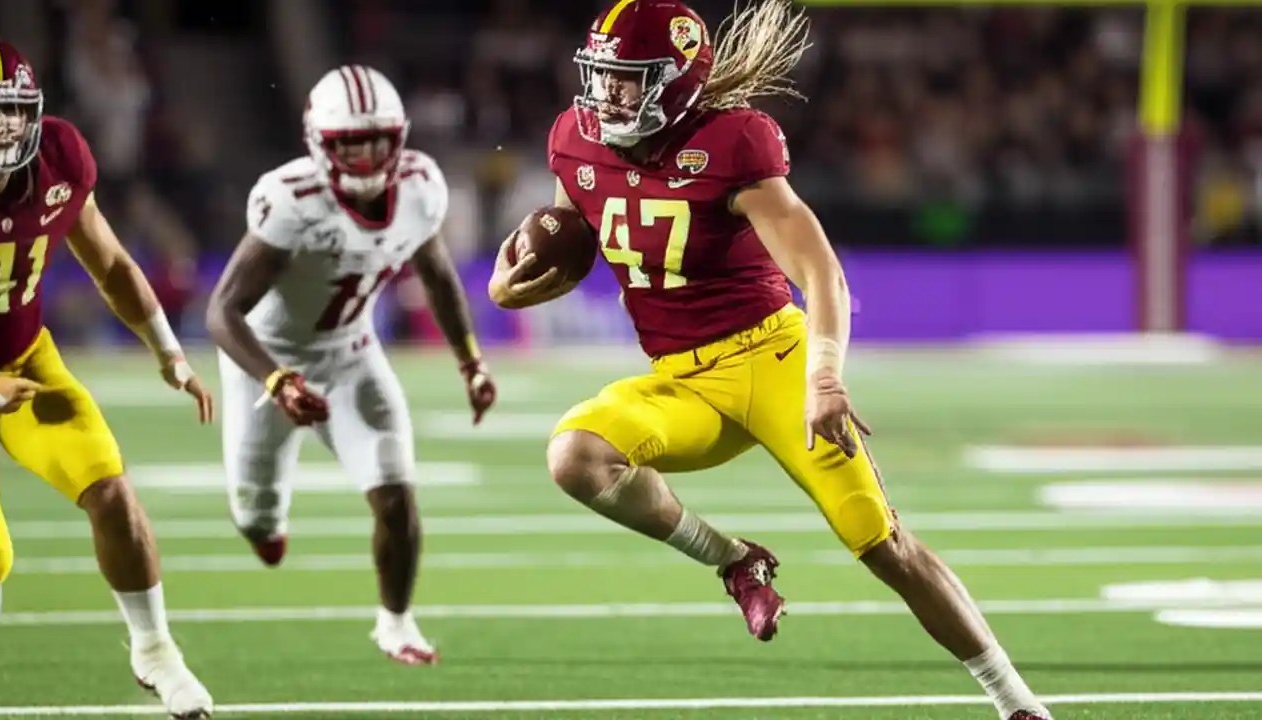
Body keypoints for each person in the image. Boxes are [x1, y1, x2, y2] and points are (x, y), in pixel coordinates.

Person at [487, 3, 1052, 719]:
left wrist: (824, 376)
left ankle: (1017, 702)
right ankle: (734, 561)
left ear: (674, 82)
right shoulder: (576, 139)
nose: (607, 95)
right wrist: (505, 285)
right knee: (575, 457)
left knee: (880, 543)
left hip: (772, 361)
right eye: (601, 76)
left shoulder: (732, 142)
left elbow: (821, 272)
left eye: (627, 79)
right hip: (680, 380)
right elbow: (571, 233)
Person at [206, 63, 497, 666]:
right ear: (320, 143)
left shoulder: (419, 187)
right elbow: (222, 311)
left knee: (395, 494)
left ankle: (396, 624)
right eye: (349, 144)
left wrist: (470, 362)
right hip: (268, 359)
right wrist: (276, 379)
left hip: (351, 354)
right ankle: (265, 525)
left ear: (399, 138)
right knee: (255, 515)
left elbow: (438, 276)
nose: (364, 158)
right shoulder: (291, 201)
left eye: (377, 142)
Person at [0, 35, 214, 719]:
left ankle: (156, 650)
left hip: (27, 362)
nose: (0, 126)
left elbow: (110, 263)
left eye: (10, 109)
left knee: (110, 489)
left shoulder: (58, 158)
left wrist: (168, 351)